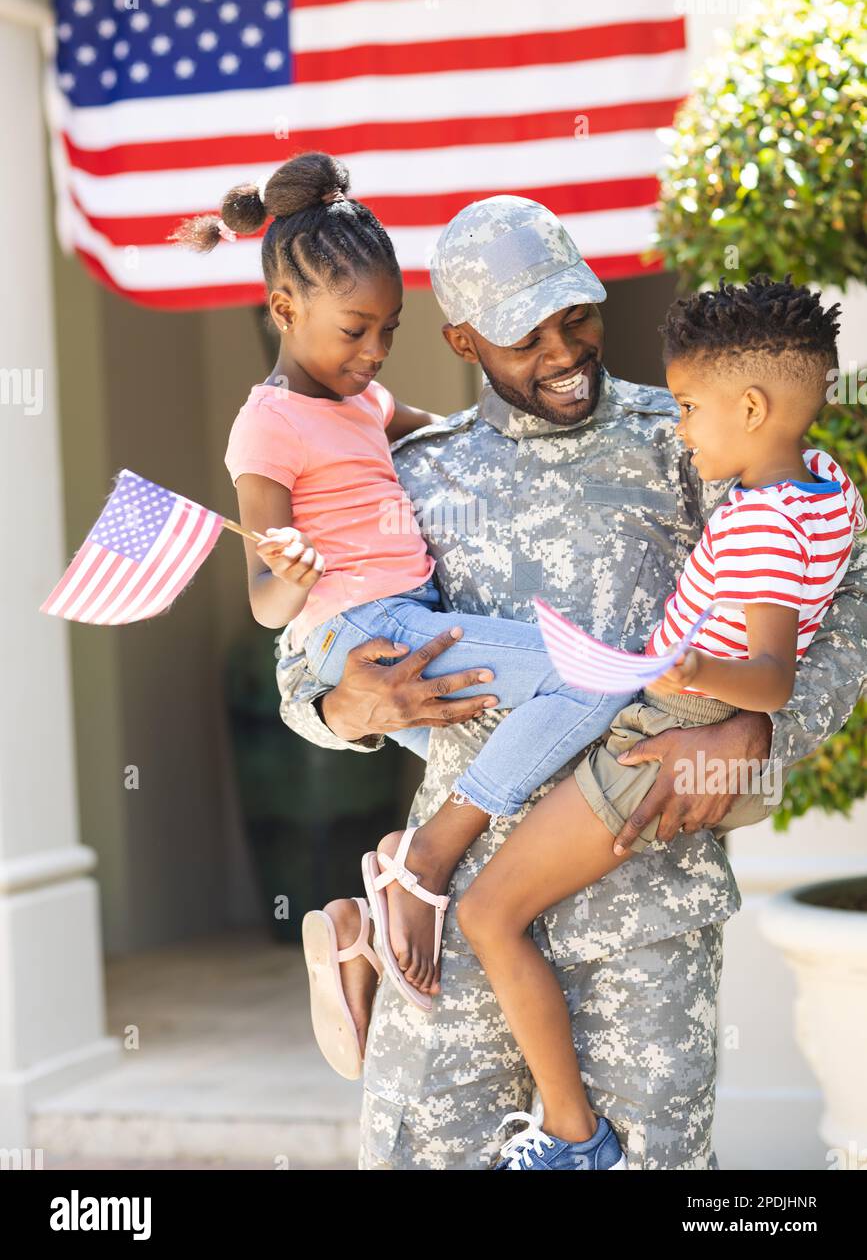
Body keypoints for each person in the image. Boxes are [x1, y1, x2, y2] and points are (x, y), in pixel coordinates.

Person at [276, 195, 867, 1170]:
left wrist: (760, 733)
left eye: (578, 316)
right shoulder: (411, 478)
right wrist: (351, 705)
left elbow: (845, 598)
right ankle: (365, 926)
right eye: (526, 333)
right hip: (456, 925)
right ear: (464, 339)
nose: (565, 349)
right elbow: (304, 659)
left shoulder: (693, 435)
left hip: (646, 914)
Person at [176, 151, 628, 1018]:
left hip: (406, 617)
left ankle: (361, 927)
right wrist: (288, 570)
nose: (377, 352)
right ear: (283, 310)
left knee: (520, 775)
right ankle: (418, 862)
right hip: (360, 631)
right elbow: (264, 603)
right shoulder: (267, 425)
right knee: (591, 675)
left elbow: (451, 430)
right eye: (355, 330)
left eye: (390, 328)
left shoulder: (361, 404)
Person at [454, 275, 865, 1169]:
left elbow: (768, 679)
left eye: (688, 407)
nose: (679, 426)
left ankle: (572, 1140)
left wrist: (692, 667)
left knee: (487, 913)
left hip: (666, 728)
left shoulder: (758, 520)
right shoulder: (828, 489)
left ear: (750, 407)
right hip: (665, 713)